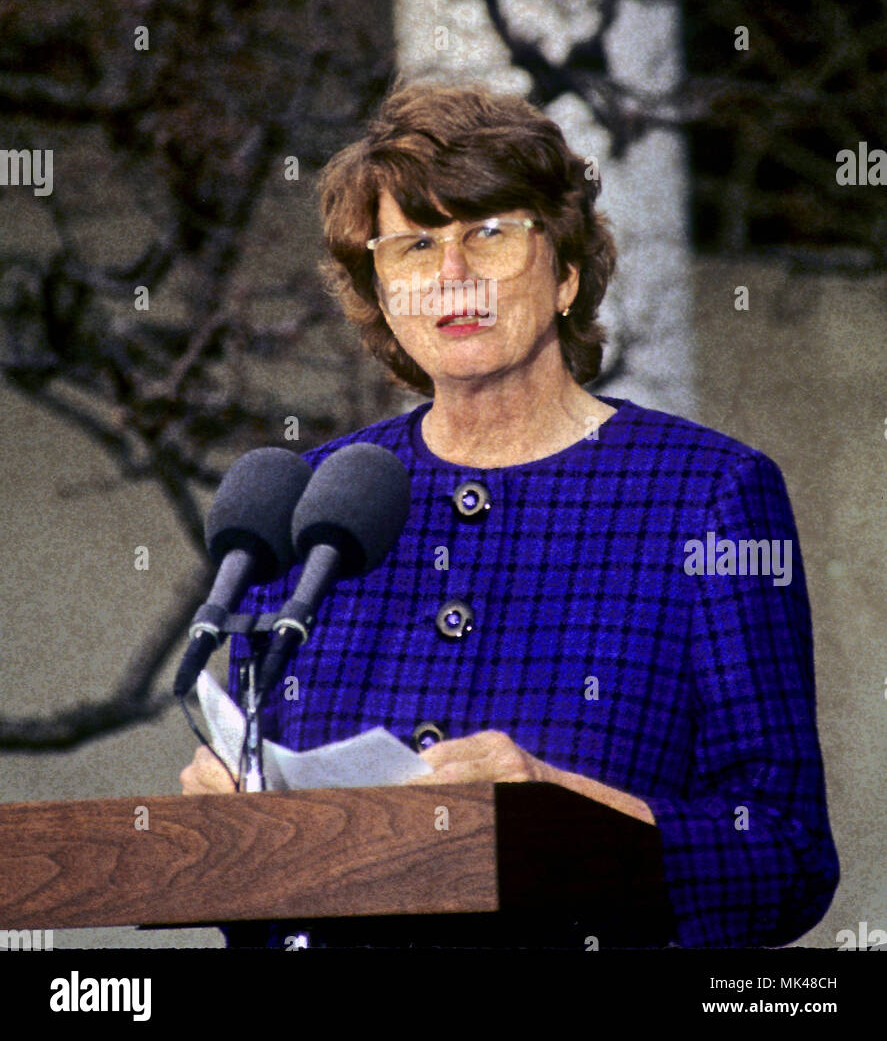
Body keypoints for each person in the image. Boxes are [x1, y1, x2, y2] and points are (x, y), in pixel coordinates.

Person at [181, 78, 839, 950]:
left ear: (565, 272)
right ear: (379, 295)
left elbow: (783, 858)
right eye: (412, 246)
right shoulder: (305, 505)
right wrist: (231, 838)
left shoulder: (706, 495)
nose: (452, 277)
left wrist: (559, 809)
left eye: (488, 233)